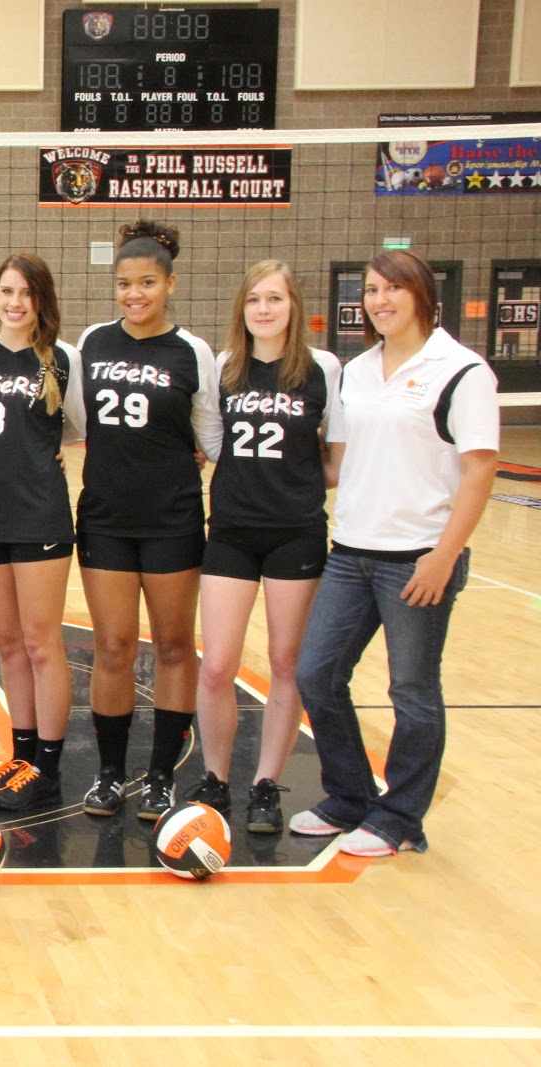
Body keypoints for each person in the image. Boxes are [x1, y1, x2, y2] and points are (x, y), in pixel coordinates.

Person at [291, 249, 499, 857]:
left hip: (418, 558)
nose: (379, 300)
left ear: (422, 295)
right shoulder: (356, 371)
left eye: (392, 289)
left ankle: (401, 817)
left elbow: (480, 469)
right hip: (350, 552)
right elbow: (341, 465)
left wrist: (443, 555)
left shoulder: (462, 370)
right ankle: (349, 797)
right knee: (317, 675)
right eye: (372, 291)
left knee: (411, 690)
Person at [74, 220, 222, 821]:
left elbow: (209, 433)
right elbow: (85, 422)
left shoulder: (193, 352)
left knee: (172, 645)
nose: (134, 294)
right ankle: (111, 774)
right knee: (111, 648)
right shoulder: (93, 341)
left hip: (172, 518)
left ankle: (160, 776)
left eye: (147, 283)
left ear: (170, 284)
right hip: (107, 516)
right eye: (124, 284)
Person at [190, 261, 341, 831]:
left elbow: (336, 461)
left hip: (296, 531)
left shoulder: (323, 368)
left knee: (285, 663)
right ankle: (215, 778)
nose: (263, 309)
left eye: (274, 298)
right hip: (231, 528)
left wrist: (294, 479)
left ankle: (265, 785)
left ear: (293, 306)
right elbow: (211, 438)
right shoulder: (226, 367)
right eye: (254, 299)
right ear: (242, 309)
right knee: (218, 665)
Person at [0, 253, 86, 814]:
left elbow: (85, 425)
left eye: (26, 294)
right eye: (6, 291)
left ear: (42, 300)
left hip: (40, 516)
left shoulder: (63, 360)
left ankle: (50, 768)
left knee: (41, 642)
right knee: (8, 644)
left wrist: (61, 449)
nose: (14, 303)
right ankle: (22, 755)